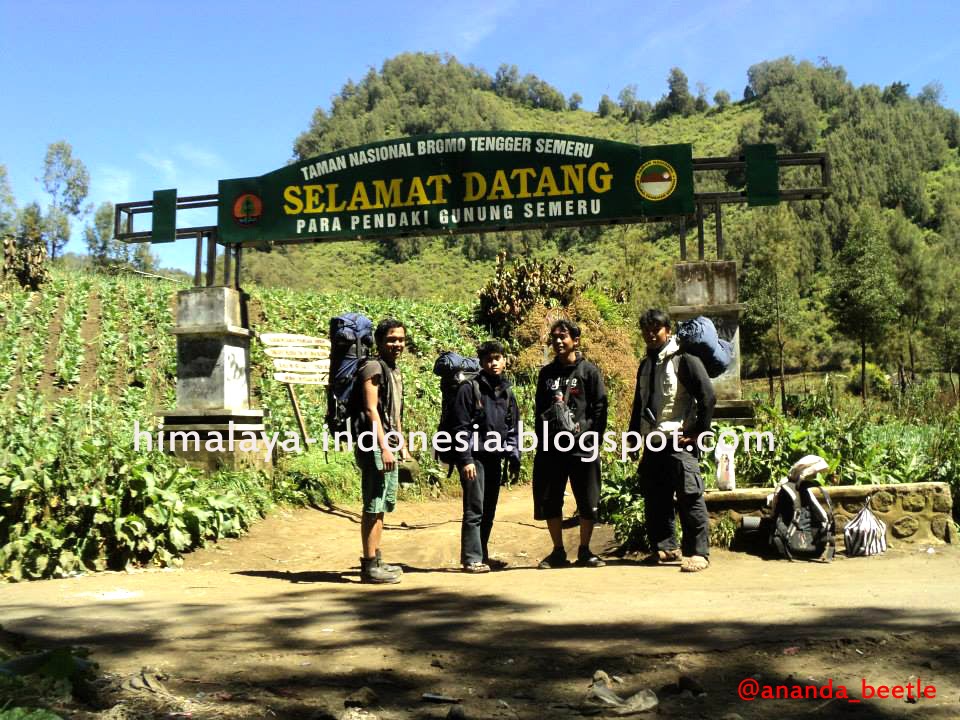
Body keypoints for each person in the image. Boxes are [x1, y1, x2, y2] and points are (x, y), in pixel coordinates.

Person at [628, 309, 716, 573]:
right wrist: (633, 438)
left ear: (668, 329)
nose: (651, 334)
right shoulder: (646, 364)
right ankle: (665, 548)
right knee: (656, 498)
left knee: (690, 496)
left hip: (680, 441)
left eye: (656, 329)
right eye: (646, 330)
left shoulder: (685, 360)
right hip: (653, 442)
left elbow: (708, 396)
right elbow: (638, 404)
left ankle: (697, 552)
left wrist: (699, 431)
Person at [533, 319, 608, 569]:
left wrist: (594, 438)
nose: (558, 341)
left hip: (582, 448)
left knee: (587, 499)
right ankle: (557, 552)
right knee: (551, 500)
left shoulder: (589, 372)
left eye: (563, 336)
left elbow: (600, 407)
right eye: (554, 337)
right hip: (552, 449)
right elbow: (539, 410)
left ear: (575, 340)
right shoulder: (546, 374)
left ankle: (585, 551)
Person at [450, 341, 521, 573]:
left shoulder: (507, 392)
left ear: (504, 360)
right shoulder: (469, 389)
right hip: (475, 458)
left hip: (495, 458)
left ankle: (482, 554)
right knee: (475, 508)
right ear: (481, 362)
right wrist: (465, 460)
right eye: (489, 359)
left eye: (498, 358)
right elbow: (460, 427)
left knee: (489, 509)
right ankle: (471, 558)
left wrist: (513, 456)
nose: (493, 363)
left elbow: (513, 427)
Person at [355, 318, 409, 584]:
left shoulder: (393, 369)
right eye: (391, 339)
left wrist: (400, 442)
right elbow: (370, 408)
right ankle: (368, 565)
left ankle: (376, 559)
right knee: (373, 503)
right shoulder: (374, 367)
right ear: (378, 341)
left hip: (387, 442)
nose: (396, 344)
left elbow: (393, 411)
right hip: (375, 443)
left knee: (382, 505)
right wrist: (384, 446)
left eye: (400, 339)